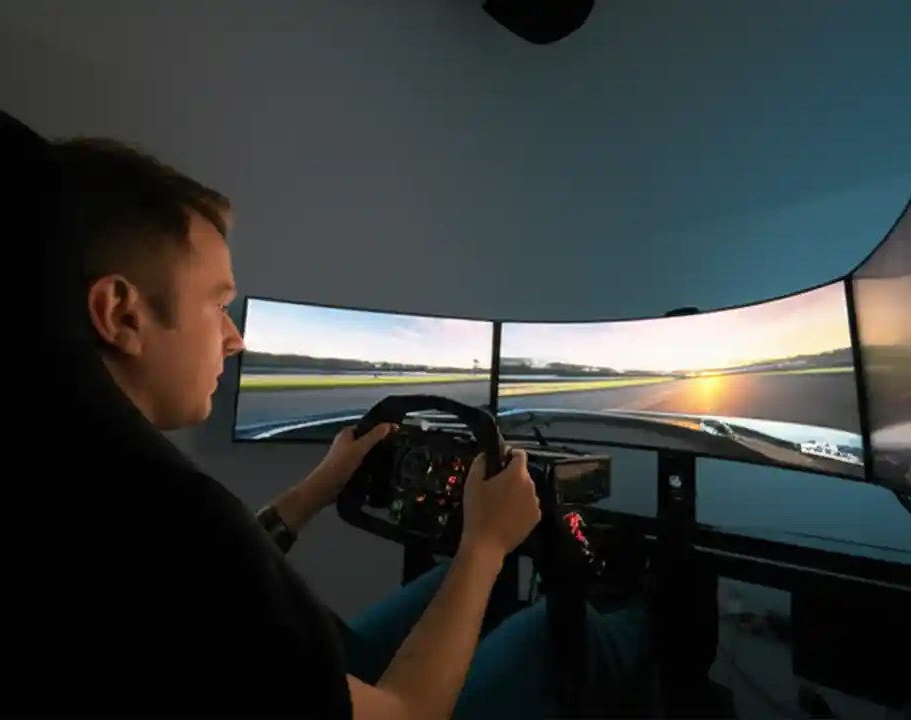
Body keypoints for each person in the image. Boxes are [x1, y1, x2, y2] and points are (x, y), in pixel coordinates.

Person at [47, 136, 657, 718]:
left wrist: (319, 487)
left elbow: (224, 574)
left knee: (473, 586)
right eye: (217, 303)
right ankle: (655, 617)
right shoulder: (167, 513)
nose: (234, 338)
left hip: (296, 668)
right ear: (121, 313)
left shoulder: (92, 480)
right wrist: (485, 545)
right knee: (560, 629)